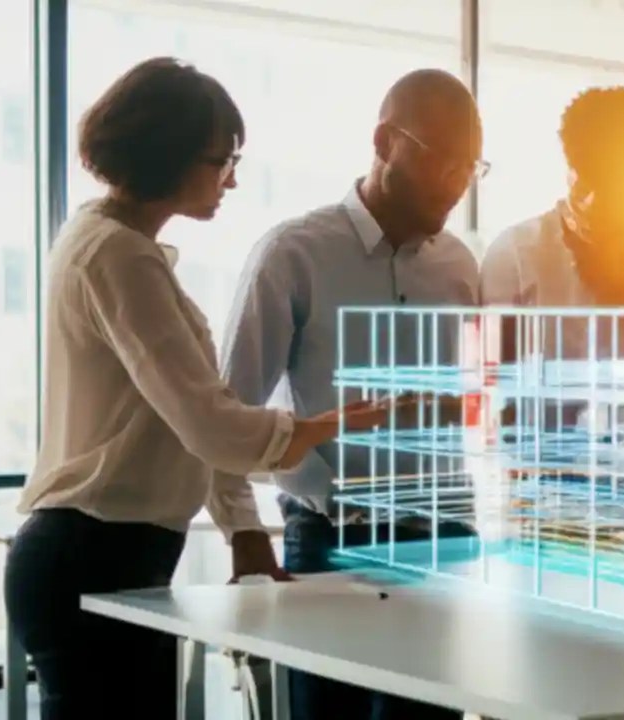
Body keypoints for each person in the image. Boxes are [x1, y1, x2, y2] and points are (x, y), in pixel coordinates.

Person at [3, 57, 383, 720]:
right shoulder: (117, 254)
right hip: (91, 553)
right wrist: (326, 425)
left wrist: (241, 528)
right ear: (167, 154)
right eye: (221, 160)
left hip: (108, 553)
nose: (231, 179)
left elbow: (184, 418)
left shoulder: (111, 243)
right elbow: (205, 420)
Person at [215, 68, 482, 720]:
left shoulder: (460, 267)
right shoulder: (294, 254)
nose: (456, 182)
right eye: (441, 158)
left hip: (442, 542)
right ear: (384, 142)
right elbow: (227, 413)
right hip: (331, 544)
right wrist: (244, 532)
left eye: (471, 167)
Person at [480, 86, 624, 348]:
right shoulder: (514, 252)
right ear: (569, 166)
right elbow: (491, 364)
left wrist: (615, 279)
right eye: (584, 183)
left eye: (611, 190)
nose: (592, 202)